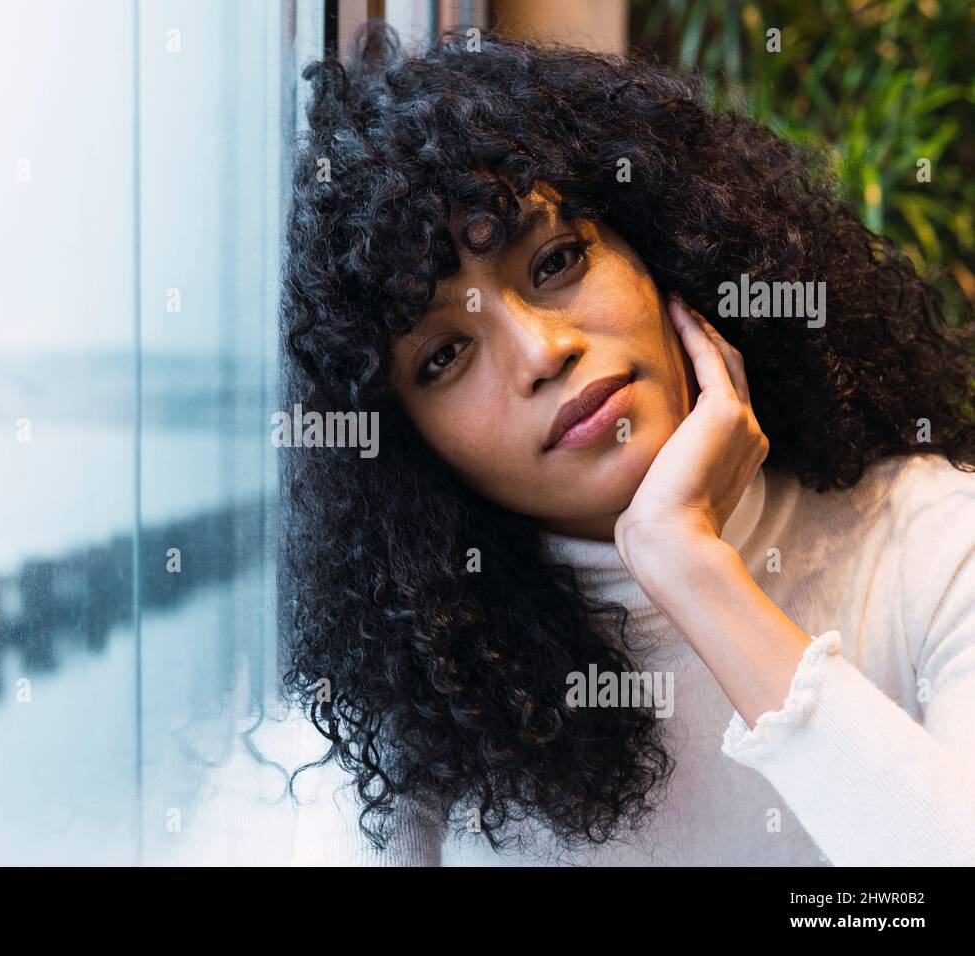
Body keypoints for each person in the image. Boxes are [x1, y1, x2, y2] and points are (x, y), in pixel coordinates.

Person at [277, 23, 975, 866]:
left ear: (662, 244)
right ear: (413, 448)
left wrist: (690, 566)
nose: (542, 352)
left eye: (556, 262)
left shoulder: (936, 544)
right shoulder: (416, 695)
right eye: (446, 355)